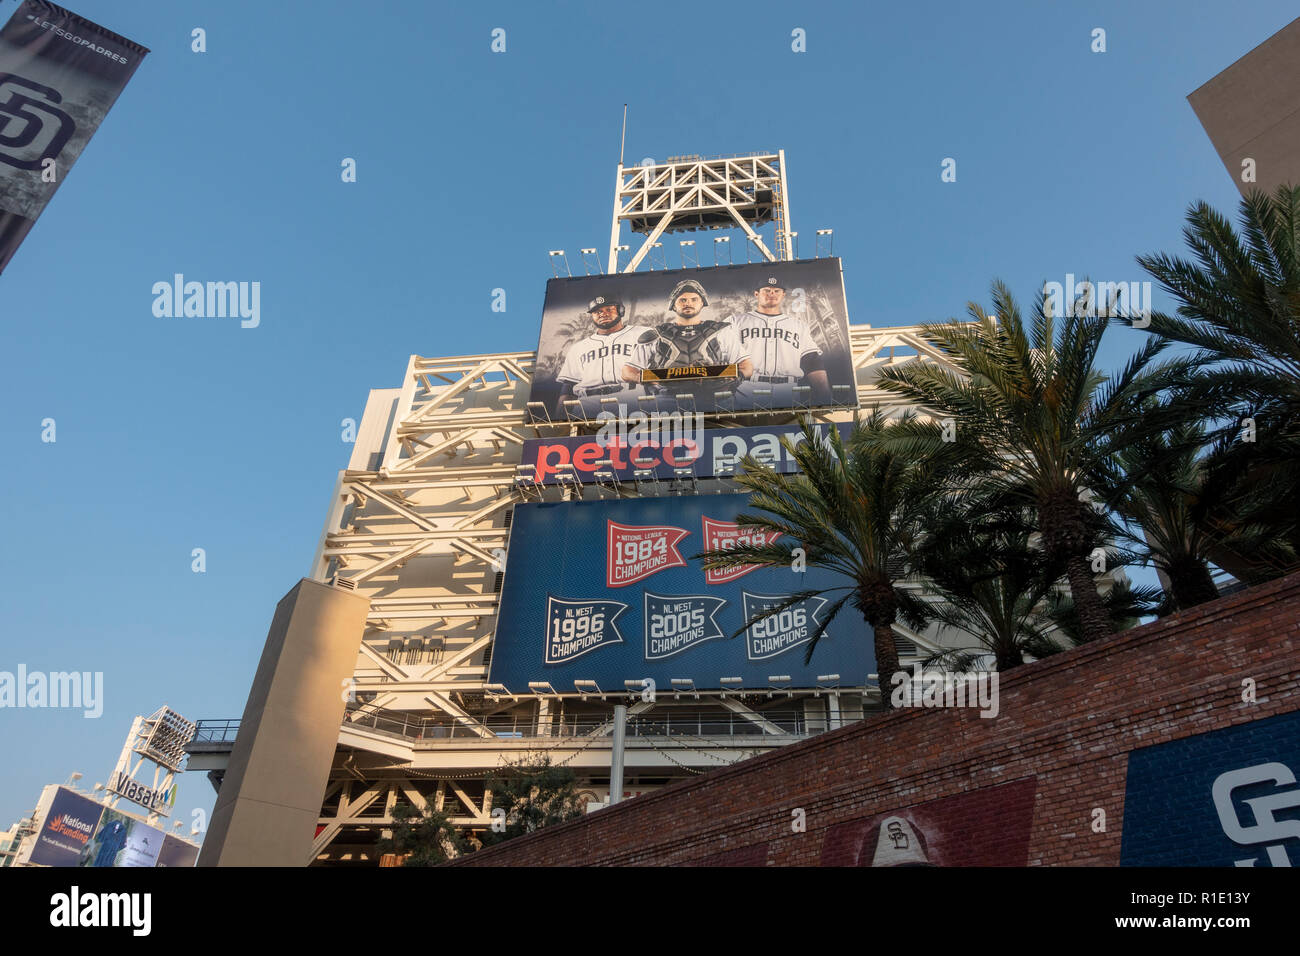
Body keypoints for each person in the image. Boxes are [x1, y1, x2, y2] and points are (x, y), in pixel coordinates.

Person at [621, 279, 752, 410]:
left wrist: (735, 379)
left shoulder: (721, 332)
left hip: (715, 399)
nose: (688, 303)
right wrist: (645, 378)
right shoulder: (657, 334)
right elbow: (627, 372)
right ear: (673, 305)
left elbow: (746, 366)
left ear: (702, 303)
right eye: (682, 300)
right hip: (668, 399)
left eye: (694, 299)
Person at [728, 275, 833, 406]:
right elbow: (721, 353)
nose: (772, 293)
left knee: (790, 426)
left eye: (777, 290)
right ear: (756, 294)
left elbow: (812, 361)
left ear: (783, 295)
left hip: (788, 390)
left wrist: (825, 396)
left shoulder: (798, 325)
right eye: (767, 290)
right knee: (746, 425)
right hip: (748, 387)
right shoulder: (736, 321)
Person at [554, 295, 646, 418]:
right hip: (587, 402)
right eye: (598, 312)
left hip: (632, 396)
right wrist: (559, 419)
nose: (603, 314)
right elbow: (568, 388)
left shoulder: (642, 334)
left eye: (609, 309)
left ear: (621, 310)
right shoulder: (578, 348)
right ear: (592, 316)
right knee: (584, 436)